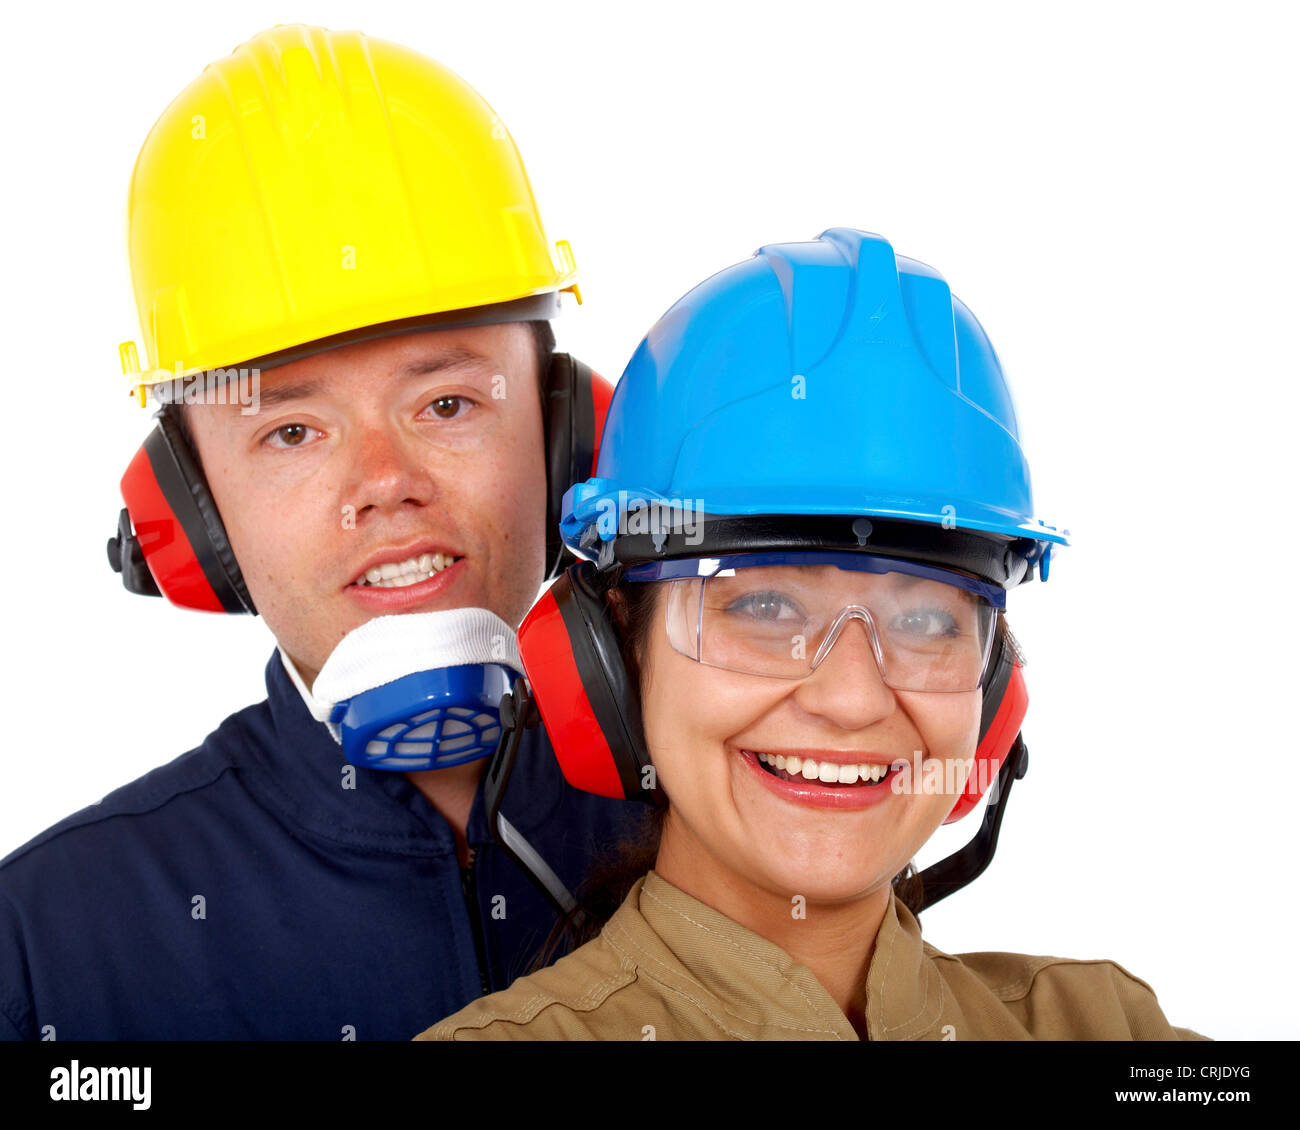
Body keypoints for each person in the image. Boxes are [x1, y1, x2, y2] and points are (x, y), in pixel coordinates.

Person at [0, 24, 643, 1041]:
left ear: (567, 434)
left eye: (445, 404)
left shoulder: (737, 835)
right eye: (292, 430)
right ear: (190, 509)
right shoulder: (41, 948)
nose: (384, 483)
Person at [418, 227, 1207, 1041]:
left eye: (928, 618)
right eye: (763, 608)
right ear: (613, 657)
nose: (853, 697)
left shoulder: (1105, 1029)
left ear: (995, 689)